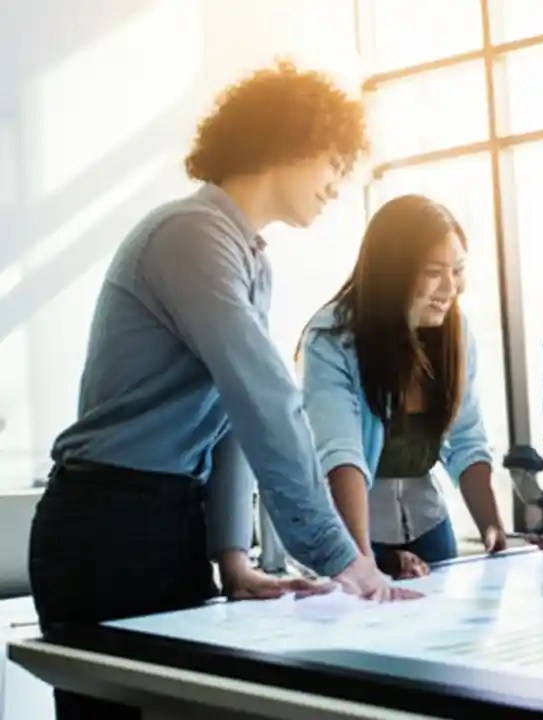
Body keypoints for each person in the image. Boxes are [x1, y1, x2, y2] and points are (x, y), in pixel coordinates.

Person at [28, 61, 419, 719]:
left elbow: (232, 419)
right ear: (287, 143)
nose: (337, 183)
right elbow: (267, 401)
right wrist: (342, 556)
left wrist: (232, 558)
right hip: (106, 525)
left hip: (167, 520)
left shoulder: (249, 258)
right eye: (333, 160)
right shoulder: (191, 235)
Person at [298, 194, 543, 579]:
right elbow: (340, 453)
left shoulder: (455, 331)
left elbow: (467, 439)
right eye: (434, 271)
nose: (450, 287)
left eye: (458, 270)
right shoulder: (332, 338)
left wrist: (494, 530)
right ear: (393, 272)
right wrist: (362, 563)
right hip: (354, 533)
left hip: (430, 527)